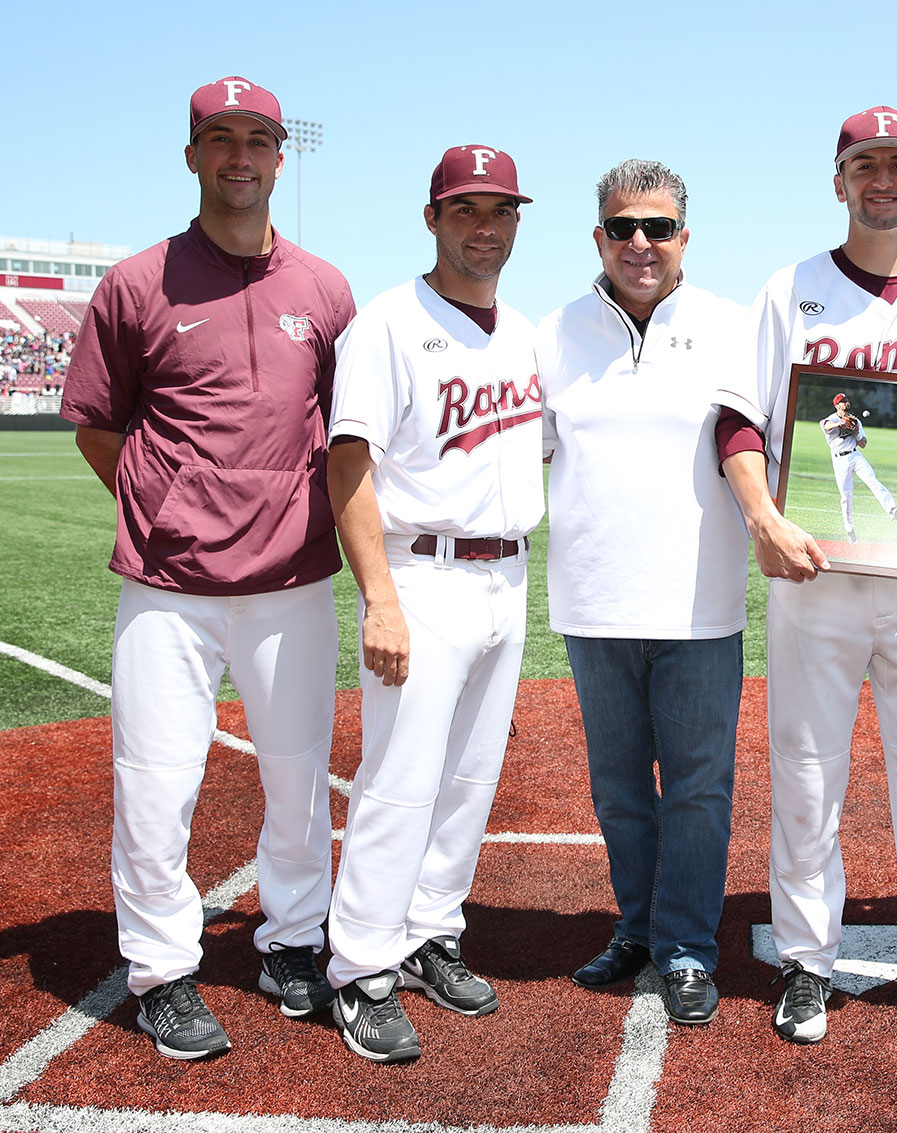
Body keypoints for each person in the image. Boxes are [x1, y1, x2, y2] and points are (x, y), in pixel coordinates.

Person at [59, 76, 354, 1060]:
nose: (240, 157)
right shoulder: (137, 283)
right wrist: (167, 505)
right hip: (167, 585)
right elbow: (100, 426)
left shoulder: (324, 289)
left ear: (282, 155)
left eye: (258, 140)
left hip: (292, 581)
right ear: (191, 155)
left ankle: (292, 941)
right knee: (156, 781)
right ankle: (163, 970)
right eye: (219, 139)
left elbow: (343, 435)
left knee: (298, 775)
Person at [714, 105, 897, 1045]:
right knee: (808, 775)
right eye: (865, 163)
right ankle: (808, 957)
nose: (883, 178)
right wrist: (761, 518)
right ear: (837, 179)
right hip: (815, 579)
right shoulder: (789, 289)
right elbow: (737, 424)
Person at [323, 144, 544, 1063]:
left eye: (500, 211)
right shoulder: (384, 322)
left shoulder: (526, 331)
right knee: (400, 779)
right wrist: (379, 598)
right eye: (465, 210)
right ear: (432, 218)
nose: (484, 227)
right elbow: (349, 465)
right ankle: (361, 966)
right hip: (421, 572)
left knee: (467, 781)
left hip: (506, 576)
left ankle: (428, 933)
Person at [535, 159, 749, 1026]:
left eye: (658, 227)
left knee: (698, 786)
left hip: (701, 605)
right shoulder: (551, 334)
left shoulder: (734, 327)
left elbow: (760, 442)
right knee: (620, 787)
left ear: (685, 238)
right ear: (598, 237)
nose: (640, 243)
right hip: (592, 602)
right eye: (622, 226)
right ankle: (636, 926)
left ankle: (689, 946)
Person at [820, 391, 897, 542]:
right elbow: (826, 426)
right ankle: (849, 529)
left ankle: (891, 509)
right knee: (846, 497)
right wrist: (840, 424)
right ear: (837, 405)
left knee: (872, 479)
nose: (846, 403)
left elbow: (863, 444)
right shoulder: (830, 419)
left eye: (846, 400)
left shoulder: (855, 420)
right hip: (840, 461)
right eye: (842, 401)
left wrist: (856, 432)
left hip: (855, 455)